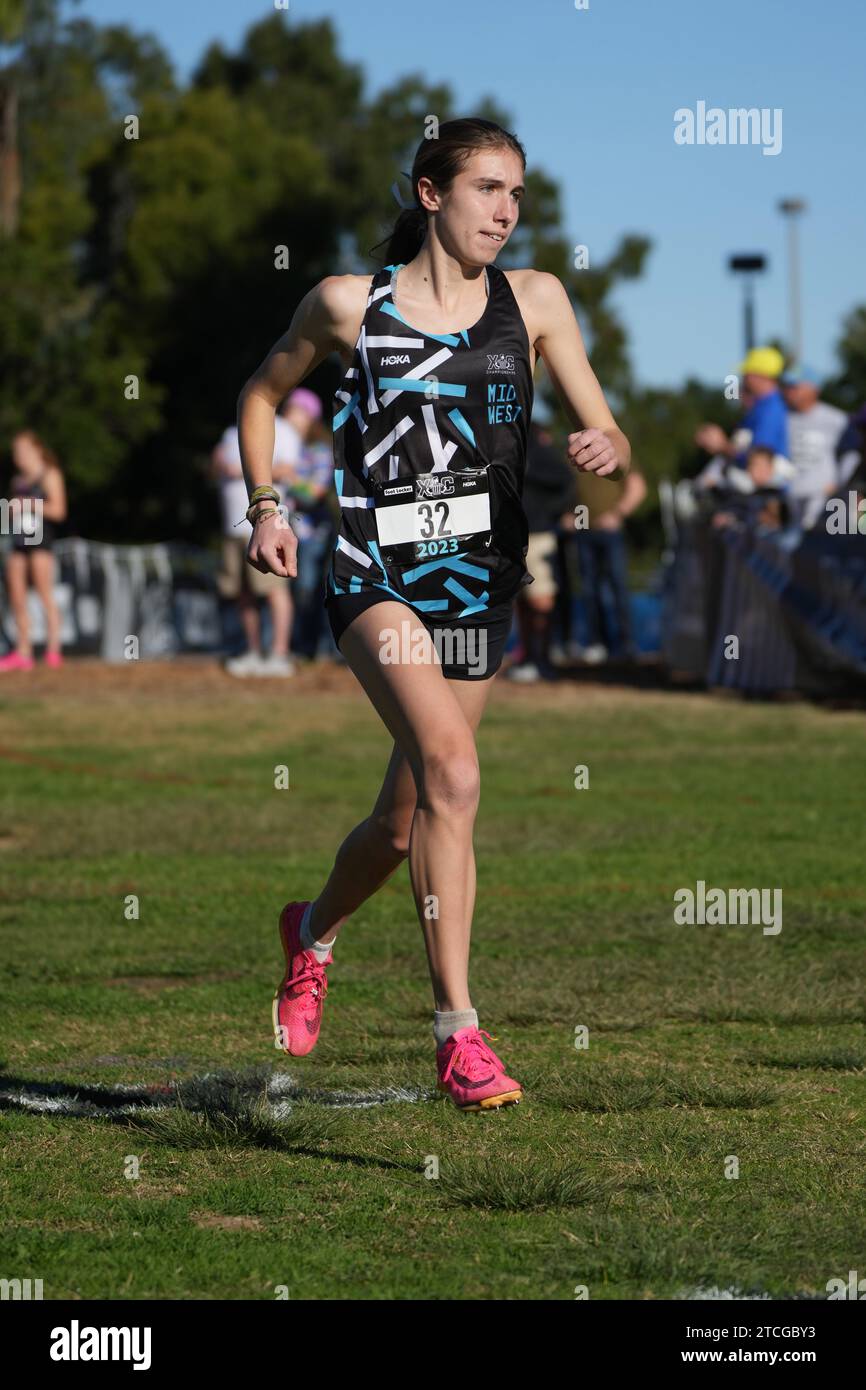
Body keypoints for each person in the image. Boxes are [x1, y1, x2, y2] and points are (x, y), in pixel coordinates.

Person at [236, 118, 630, 1109]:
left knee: (404, 825)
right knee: (455, 772)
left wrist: (604, 448)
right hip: (374, 570)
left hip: (477, 584)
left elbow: (603, 425)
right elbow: (260, 394)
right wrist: (267, 505)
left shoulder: (534, 301)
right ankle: (459, 1031)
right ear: (428, 193)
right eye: (486, 189)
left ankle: (309, 932)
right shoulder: (344, 303)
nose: (504, 211)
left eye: (516, 195)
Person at [212, 389, 320, 677]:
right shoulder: (231, 432)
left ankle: (279, 653)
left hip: (269, 523)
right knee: (242, 591)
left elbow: (290, 471)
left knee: (274, 589)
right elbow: (217, 464)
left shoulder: (282, 431)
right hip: (231, 525)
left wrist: (238, 470)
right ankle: (253, 651)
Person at [507, 394, 576, 682]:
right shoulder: (505, 448)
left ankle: (543, 659)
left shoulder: (536, 452)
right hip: (510, 537)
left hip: (537, 536)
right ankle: (528, 656)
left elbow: (566, 481)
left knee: (541, 601)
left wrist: (555, 513)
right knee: (521, 602)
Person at [0, 430, 67, 672]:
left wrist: (30, 504)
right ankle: (23, 651)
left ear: (37, 449)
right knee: (16, 596)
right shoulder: (17, 481)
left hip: (41, 542)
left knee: (44, 593)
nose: (19, 456)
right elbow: (9, 514)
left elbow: (59, 512)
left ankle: (53, 650)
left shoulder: (50, 475)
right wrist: (10, 509)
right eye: (16, 452)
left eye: (23, 450)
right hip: (18, 541)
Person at [571, 463, 647, 664]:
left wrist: (618, 514)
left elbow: (637, 486)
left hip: (610, 532)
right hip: (584, 531)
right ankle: (598, 643)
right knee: (589, 589)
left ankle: (626, 645)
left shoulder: (613, 447)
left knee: (618, 586)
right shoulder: (572, 454)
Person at [695, 346, 789, 474]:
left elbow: (759, 462)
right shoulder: (760, 407)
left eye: (747, 374)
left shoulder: (771, 410)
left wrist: (722, 445)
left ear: (761, 375)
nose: (744, 378)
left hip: (766, 492)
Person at [780, 365, 849, 529]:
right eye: (788, 387)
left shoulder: (835, 419)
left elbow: (849, 455)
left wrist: (840, 483)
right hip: (791, 494)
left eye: (795, 387)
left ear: (813, 389)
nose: (790, 392)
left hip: (823, 494)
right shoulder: (783, 419)